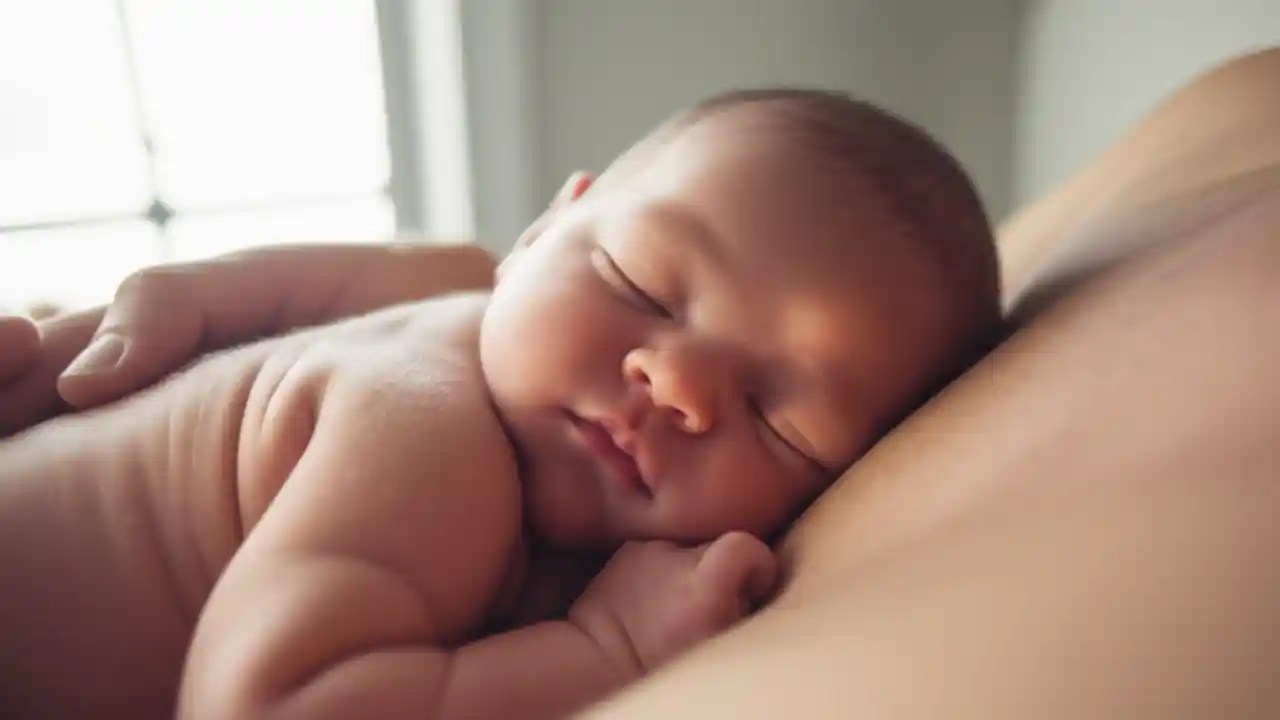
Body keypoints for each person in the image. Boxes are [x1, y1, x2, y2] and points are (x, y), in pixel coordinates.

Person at [0, 88, 1000, 719]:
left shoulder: (447, 308)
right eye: (638, 283)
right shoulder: (430, 445)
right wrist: (602, 650)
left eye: (786, 425)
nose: (681, 386)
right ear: (539, 232)